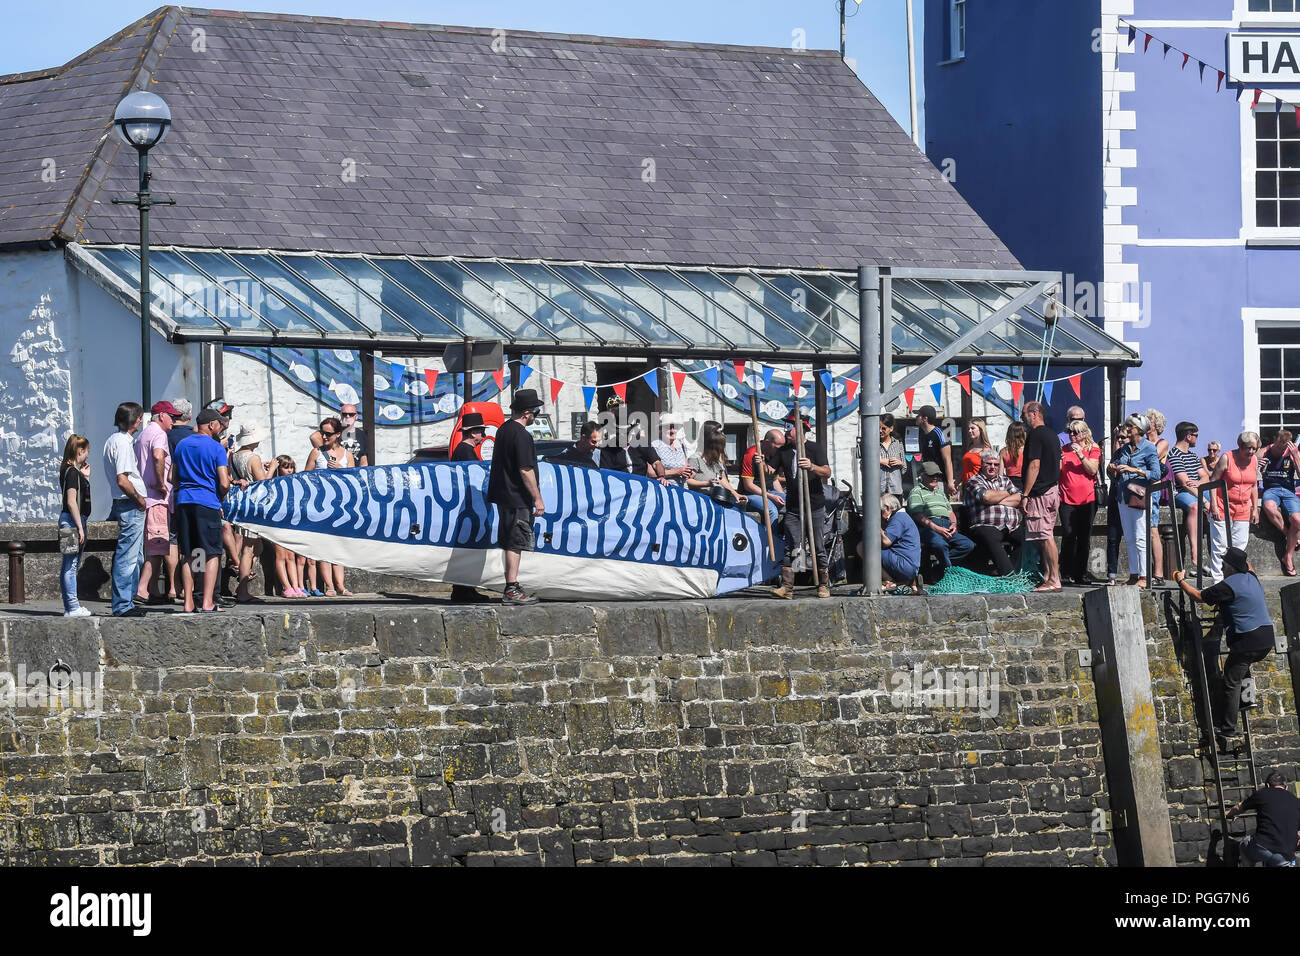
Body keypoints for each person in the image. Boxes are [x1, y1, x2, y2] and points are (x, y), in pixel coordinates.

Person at [1173, 548, 1276, 750]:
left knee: (1230, 680)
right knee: (1243, 665)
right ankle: (1247, 699)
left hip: (1248, 640)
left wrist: (1180, 580)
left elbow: (1198, 596)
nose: (1220, 568)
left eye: (1223, 565)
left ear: (1229, 569)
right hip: (1266, 638)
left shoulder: (1227, 587)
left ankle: (1228, 727)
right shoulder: (1252, 577)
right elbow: (1249, 565)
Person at [174, 408, 245, 613]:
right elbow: (223, 483)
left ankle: (189, 602)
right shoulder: (216, 448)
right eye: (219, 424)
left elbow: (173, 478)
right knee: (212, 553)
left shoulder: (182, 445)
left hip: (184, 501)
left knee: (190, 553)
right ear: (212, 425)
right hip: (207, 502)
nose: (220, 428)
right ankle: (207, 602)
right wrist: (221, 497)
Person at [487, 388, 546, 605]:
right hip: (517, 496)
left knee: (511, 540)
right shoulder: (521, 435)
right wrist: (537, 498)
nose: (535, 417)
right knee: (515, 542)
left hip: (503, 495)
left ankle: (512, 586)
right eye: (535, 412)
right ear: (527, 413)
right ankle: (511, 588)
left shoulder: (503, 430)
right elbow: (525, 469)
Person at [770, 411, 832, 600]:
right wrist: (760, 463)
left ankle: (823, 585)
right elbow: (770, 470)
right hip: (794, 507)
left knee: (818, 546)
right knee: (792, 547)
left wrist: (812, 466)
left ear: (800, 429)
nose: (786, 432)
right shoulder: (784, 452)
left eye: (789, 427)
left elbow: (827, 472)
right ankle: (788, 587)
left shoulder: (815, 448)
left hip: (814, 506)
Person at [103, 402, 148, 618]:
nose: (141, 420)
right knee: (128, 556)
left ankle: (128, 600)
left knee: (136, 556)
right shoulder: (122, 443)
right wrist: (139, 498)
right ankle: (122, 605)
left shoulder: (114, 440)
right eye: (139, 417)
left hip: (122, 503)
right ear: (133, 420)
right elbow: (123, 480)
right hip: (129, 504)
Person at [1108, 414, 1162, 588]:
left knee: (1140, 537)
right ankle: (1134, 574)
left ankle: (1145, 576)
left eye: (1130, 426)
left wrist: (1134, 470)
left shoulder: (1149, 448)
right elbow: (1117, 473)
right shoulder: (1124, 449)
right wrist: (1113, 470)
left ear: (1139, 430)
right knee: (1130, 538)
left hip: (1139, 496)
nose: (1127, 429)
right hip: (1123, 495)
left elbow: (1156, 474)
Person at [305, 417, 356, 596]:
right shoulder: (316, 453)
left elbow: (353, 481)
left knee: (339, 546)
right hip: (320, 505)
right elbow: (305, 478)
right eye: (322, 433)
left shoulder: (348, 455)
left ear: (338, 434)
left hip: (340, 506)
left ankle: (341, 585)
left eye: (328, 434)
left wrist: (339, 472)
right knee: (324, 546)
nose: (324, 437)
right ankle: (330, 586)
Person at [133, 400, 177, 606]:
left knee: (152, 546)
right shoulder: (159, 434)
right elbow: (158, 456)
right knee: (158, 547)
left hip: (145, 498)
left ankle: (152, 590)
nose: (174, 421)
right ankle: (142, 590)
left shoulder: (143, 434)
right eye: (171, 416)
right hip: (157, 498)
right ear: (161, 416)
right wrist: (161, 483)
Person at [1206, 432, 1261, 584]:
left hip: (1243, 508)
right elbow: (1213, 481)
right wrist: (1214, 506)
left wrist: (1255, 508)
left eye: (1254, 449)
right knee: (1220, 545)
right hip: (1223, 506)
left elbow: (1254, 485)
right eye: (1248, 448)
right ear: (1240, 446)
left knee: (1239, 547)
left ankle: (1235, 580)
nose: (1251, 452)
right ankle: (1217, 581)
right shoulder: (1227, 458)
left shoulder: (1254, 460)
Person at [1021, 401, 1063, 592]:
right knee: (1042, 535)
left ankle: (1054, 579)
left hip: (1041, 492)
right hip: (1052, 489)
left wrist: (1025, 494)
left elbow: (1034, 465)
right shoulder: (1052, 434)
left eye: (1024, 414)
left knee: (1046, 536)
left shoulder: (1036, 434)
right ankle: (1048, 576)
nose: (1022, 418)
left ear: (1034, 413)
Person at [963, 450, 1025, 576]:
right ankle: (1009, 576)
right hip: (984, 525)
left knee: (1028, 537)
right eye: (989, 464)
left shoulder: (1005, 481)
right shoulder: (974, 481)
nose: (992, 467)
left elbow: (1019, 498)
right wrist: (1008, 494)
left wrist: (997, 500)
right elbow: (986, 497)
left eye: (996, 464)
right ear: (982, 464)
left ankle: (1009, 569)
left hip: (1010, 526)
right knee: (991, 536)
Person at [448, 414, 490, 603]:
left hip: (466, 506)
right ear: (474, 433)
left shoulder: (462, 450)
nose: (483, 436)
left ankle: (467, 588)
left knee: (468, 549)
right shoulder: (466, 452)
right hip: (468, 506)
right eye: (481, 432)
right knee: (468, 549)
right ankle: (462, 590)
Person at [907, 461, 974, 575]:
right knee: (940, 545)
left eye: (937, 475)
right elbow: (918, 516)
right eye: (931, 475)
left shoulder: (941, 493)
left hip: (947, 525)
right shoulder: (916, 492)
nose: (935, 478)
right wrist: (937, 529)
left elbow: (950, 511)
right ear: (922, 475)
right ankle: (947, 574)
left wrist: (953, 524)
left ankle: (939, 567)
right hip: (928, 527)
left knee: (967, 545)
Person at [229, 422, 271, 602]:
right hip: (253, 505)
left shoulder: (233, 456)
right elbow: (263, 483)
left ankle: (242, 584)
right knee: (249, 548)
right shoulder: (253, 458)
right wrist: (273, 469)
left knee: (257, 547)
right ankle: (243, 589)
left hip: (241, 504)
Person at [1059, 421, 1102, 586]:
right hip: (1067, 498)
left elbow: (1092, 470)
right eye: (1070, 432)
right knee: (1068, 535)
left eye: (1075, 433)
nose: (1072, 436)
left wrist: (1080, 454)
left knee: (1084, 537)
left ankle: (1080, 573)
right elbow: (1057, 473)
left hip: (1087, 499)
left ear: (1084, 434)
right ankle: (1065, 572)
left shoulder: (1093, 448)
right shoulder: (1063, 450)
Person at [1226, 772, 1299, 867]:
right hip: (1286, 854)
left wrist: (1227, 814)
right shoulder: (1296, 801)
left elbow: (1239, 808)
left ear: (1267, 785)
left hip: (1263, 846)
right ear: (1286, 788)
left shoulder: (1263, 793)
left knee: (1244, 846)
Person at [58, 435, 93, 617]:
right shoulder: (71, 472)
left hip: (70, 520)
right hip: (72, 521)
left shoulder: (69, 470)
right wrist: (80, 526)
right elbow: (72, 501)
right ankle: (72, 607)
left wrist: (85, 477)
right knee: (70, 566)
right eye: (86, 451)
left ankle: (71, 606)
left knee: (69, 564)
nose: (87, 455)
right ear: (80, 451)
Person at [163, 397, 193, 601]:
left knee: (172, 540)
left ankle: (173, 586)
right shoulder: (195, 437)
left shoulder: (165, 435)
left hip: (171, 494)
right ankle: (192, 587)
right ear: (189, 416)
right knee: (192, 545)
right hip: (195, 497)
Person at [1167, 421, 1208, 575]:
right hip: (1181, 494)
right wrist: (1204, 501)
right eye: (1196, 435)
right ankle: (1195, 555)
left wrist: (1197, 482)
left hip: (1196, 490)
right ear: (1188, 436)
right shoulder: (1174, 454)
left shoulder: (1192, 455)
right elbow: (1184, 483)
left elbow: (1205, 477)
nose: (1198, 438)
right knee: (1195, 507)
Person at [1259, 429, 1300, 576]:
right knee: (1269, 506)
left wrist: (1296, 456)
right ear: (1274, 439)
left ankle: (1287, 557)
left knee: (1297, 519)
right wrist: (1256, 463)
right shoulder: (1264, 451)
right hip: (1271, 490)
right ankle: (1289, 535)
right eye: (1278, 445)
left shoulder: (1292, 452)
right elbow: (1249, 468)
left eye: (1284, 447)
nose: (1281, 449)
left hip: (1289, 491)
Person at [268, 455, 306, 597]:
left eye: (291, 467)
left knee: (291, 555)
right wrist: (271, 469)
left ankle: (296, 586)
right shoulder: (274, 482)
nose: (289, 470)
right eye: (285, 467)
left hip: (291, 521)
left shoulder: (295, 483)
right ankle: (286, 586)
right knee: (281, 555)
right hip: (277, 522)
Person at [1144, 409, 1171, 582]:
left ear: (1155, 425)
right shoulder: (1142, 442)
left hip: (1152, 489)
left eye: (1148, 420)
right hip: (1139, 489)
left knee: (1153, 531)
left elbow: (1148, 456)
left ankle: (1158, 573)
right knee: (1142, 532)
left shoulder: (1163, 443)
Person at [739, 429, 786, 525]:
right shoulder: (751, 453)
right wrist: (772, 496)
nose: (780, 450)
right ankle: (771, 539)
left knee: (794, 504)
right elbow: (748, 486)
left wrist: (782, 496)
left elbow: (774, 479)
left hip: (769, 492)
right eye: (777, 447)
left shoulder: (774, 455)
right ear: (767, 442)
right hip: (751, 494)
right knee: (772, 511)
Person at [687, 432, 747, 505]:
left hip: (714, 499)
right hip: (698, 499)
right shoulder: (695, 459)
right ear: (713, 447)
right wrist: (707, 483)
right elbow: (688, 481)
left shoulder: (716, 461)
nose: (722, 450)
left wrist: (735, 494)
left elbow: (722, 480)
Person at [879, 494, 921, 593]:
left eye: (881, 510)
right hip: (910, 566)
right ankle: (907, 581)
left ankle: (890, 581)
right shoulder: (903, 517)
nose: (880, 514)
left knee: (863, 548)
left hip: (905, 565)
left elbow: (886, 542)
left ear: (888, 509)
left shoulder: (898, 519)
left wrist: (875, 524)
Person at [915, 405, 956, 498]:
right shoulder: (923, 434)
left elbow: (947, 460)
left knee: (938, 508)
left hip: (938, 480)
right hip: (926, 479)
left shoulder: (940, 433)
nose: (916, 417)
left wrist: (950, 483)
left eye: (918, 415)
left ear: (925, 418)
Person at [652, 419, 694, 487]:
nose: (672, 431)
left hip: (683, 489)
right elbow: (650, 474)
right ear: (661, 429)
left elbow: (685, 467)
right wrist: (676, 472)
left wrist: (689, 472)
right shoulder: (655, 446)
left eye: (674, 427)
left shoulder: (681, 445)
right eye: (668, 428)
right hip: (665, 489)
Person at [879, 413, 905, 496]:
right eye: (878, 428)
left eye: (883, 428)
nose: (880, 431)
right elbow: (863, 464)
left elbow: (905, 468)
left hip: (895, 490)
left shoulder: (898, 443)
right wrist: (879, 461)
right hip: (878, 490)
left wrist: (900, 463)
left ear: (891, 428)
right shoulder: (872, 444)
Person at [961, 418, 993, 487]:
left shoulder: (986, 449)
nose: (969, 431)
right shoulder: (970, 446)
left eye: (972, 428)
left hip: (978, 486)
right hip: (966, 486)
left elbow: (989, 471)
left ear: (980, 430)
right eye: (969, 429)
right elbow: (964, 469)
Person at [1001, 422, 1027, 491]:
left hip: (1009, 483)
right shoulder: (1027, 449)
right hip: (1025, 481)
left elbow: (1000, 474)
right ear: (1021, 434)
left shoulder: (1004, 451)